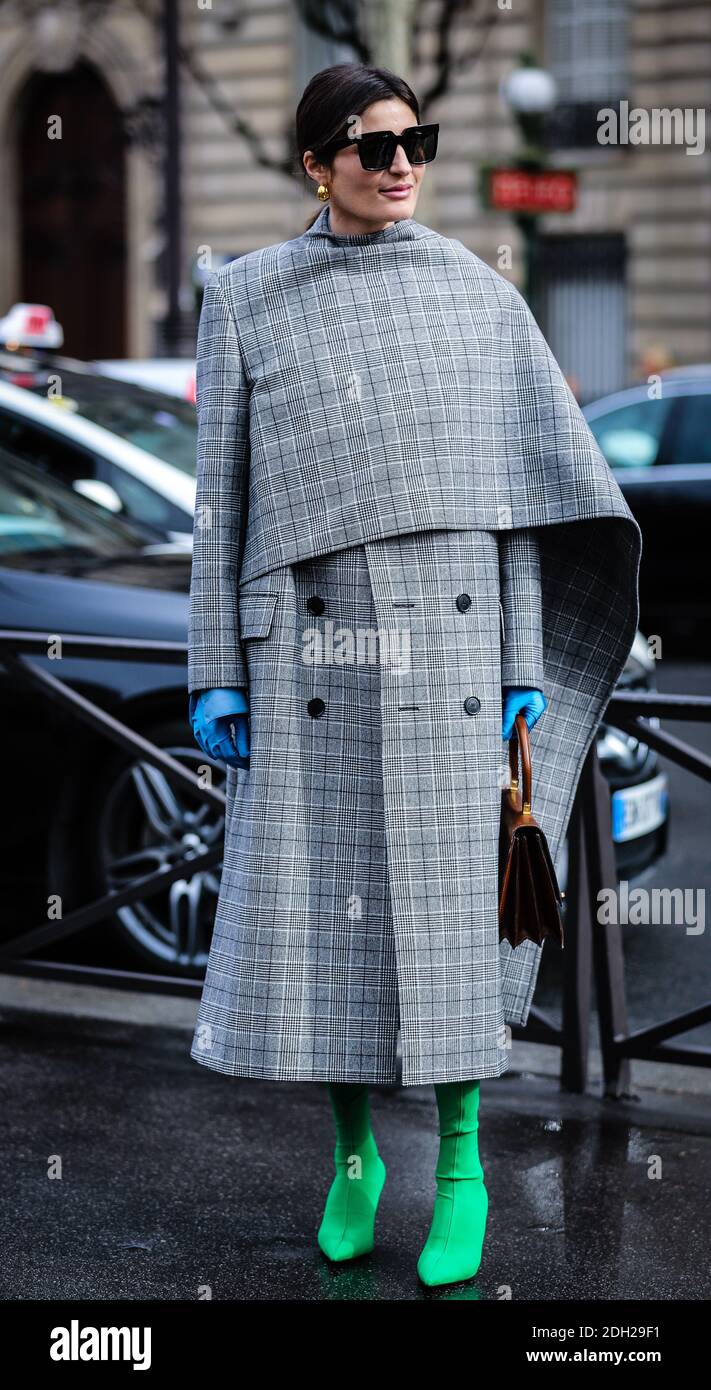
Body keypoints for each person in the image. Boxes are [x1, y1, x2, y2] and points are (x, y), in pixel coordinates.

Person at [186, 63, 641, 1289]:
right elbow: (219, 501)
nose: (399, 162)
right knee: (328, 925)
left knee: (449, 928)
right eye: (369, 143)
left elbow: (524, 503)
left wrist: (521, 661)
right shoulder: (245, 298)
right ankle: (348, 1158)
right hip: (308, 656)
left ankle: (458, 1165)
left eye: (414, 140)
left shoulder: (475, 295)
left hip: (451, 649)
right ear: (314, 165)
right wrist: (214, 667)